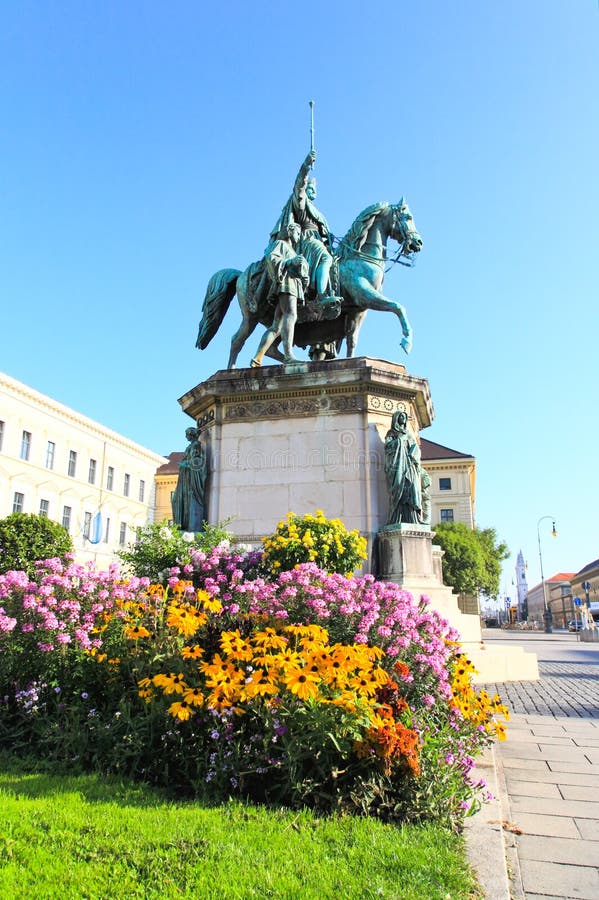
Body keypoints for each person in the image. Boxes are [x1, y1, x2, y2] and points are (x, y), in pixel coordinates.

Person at [268, 149, 336, 303]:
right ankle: (322, 297)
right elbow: (300, 184)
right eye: (310, 189)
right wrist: (306, 166)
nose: (313, 192)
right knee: (326, 258)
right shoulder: (301, 201)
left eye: (315, 190)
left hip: (318, 241)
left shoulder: (317, 211)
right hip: (306, 240)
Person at [251, 223, 308, 366]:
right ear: (290, 231)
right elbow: (272, 258)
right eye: (297, 232)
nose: (298, 236)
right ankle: (289, 356)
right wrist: (290, 261)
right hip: (287, 284)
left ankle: (258, 356)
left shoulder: (292, 250)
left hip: (292, 284)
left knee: (276, 325)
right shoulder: (281, 244)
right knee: (291, 315)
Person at [383, 409, 423, 525]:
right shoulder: (392, 434)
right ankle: (396, 519)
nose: (403, 419)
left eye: (405, 417)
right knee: (399, 492)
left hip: (410, 466)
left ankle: (413, 519)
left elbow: (416, 448)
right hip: (398, 467)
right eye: (401, 416)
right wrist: (399, 442)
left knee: (412, 490)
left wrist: (413, 453)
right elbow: (387, 447)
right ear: (396, 418)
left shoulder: (409, 434)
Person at [171, 426, 207, 532]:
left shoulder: (196, 445)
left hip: (190, 477)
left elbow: (197, 460)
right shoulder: (191, 445)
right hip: (186, 477)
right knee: (177, 500)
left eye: (187, 434)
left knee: (186, 500)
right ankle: (183, 526)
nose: (186, 436)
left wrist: (185, 463)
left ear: (191, 435)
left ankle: (191, 527)